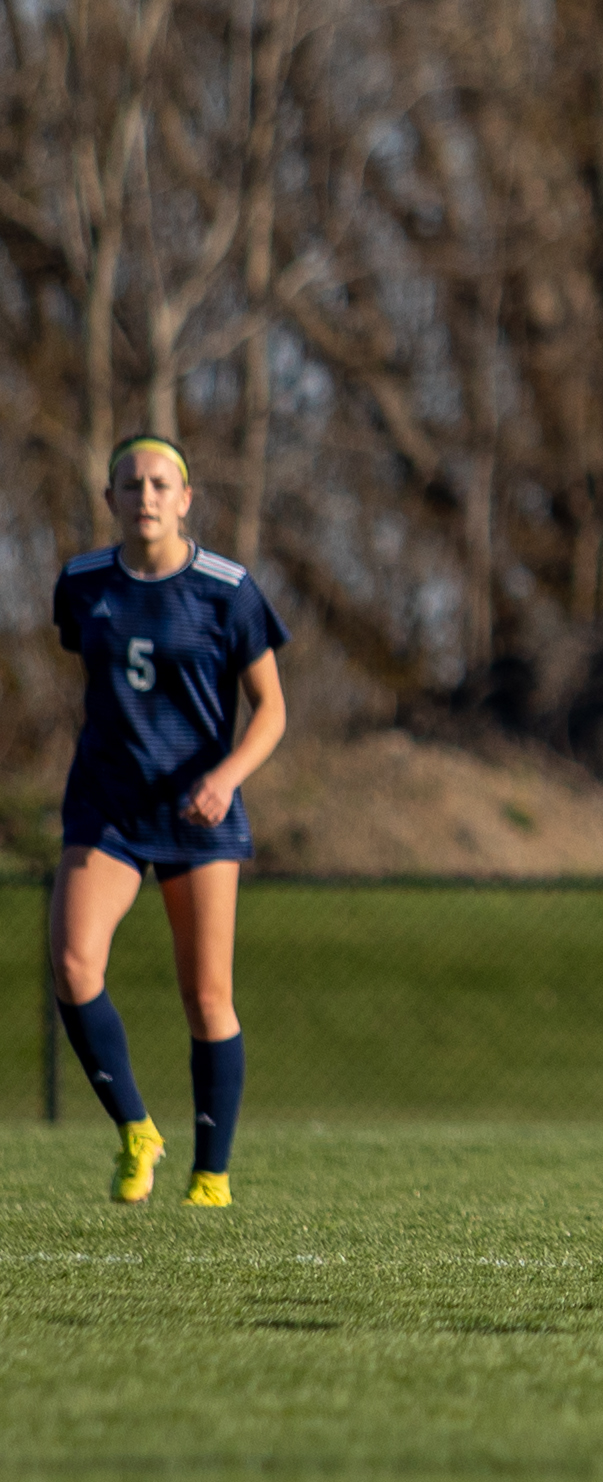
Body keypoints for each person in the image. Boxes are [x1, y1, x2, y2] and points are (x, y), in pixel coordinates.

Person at [49, 434, 289, 1208]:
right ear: (111, 499)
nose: (145, 495)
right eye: (131, 483)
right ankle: (136, 1130)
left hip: (198, 813)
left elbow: (272, 711)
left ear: (185, 499)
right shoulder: (82, 584)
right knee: (73, 966)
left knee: (206, 997)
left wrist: (224, 777)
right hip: (108, 808)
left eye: (160, 483)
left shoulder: (228, 589)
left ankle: (211, 1175)